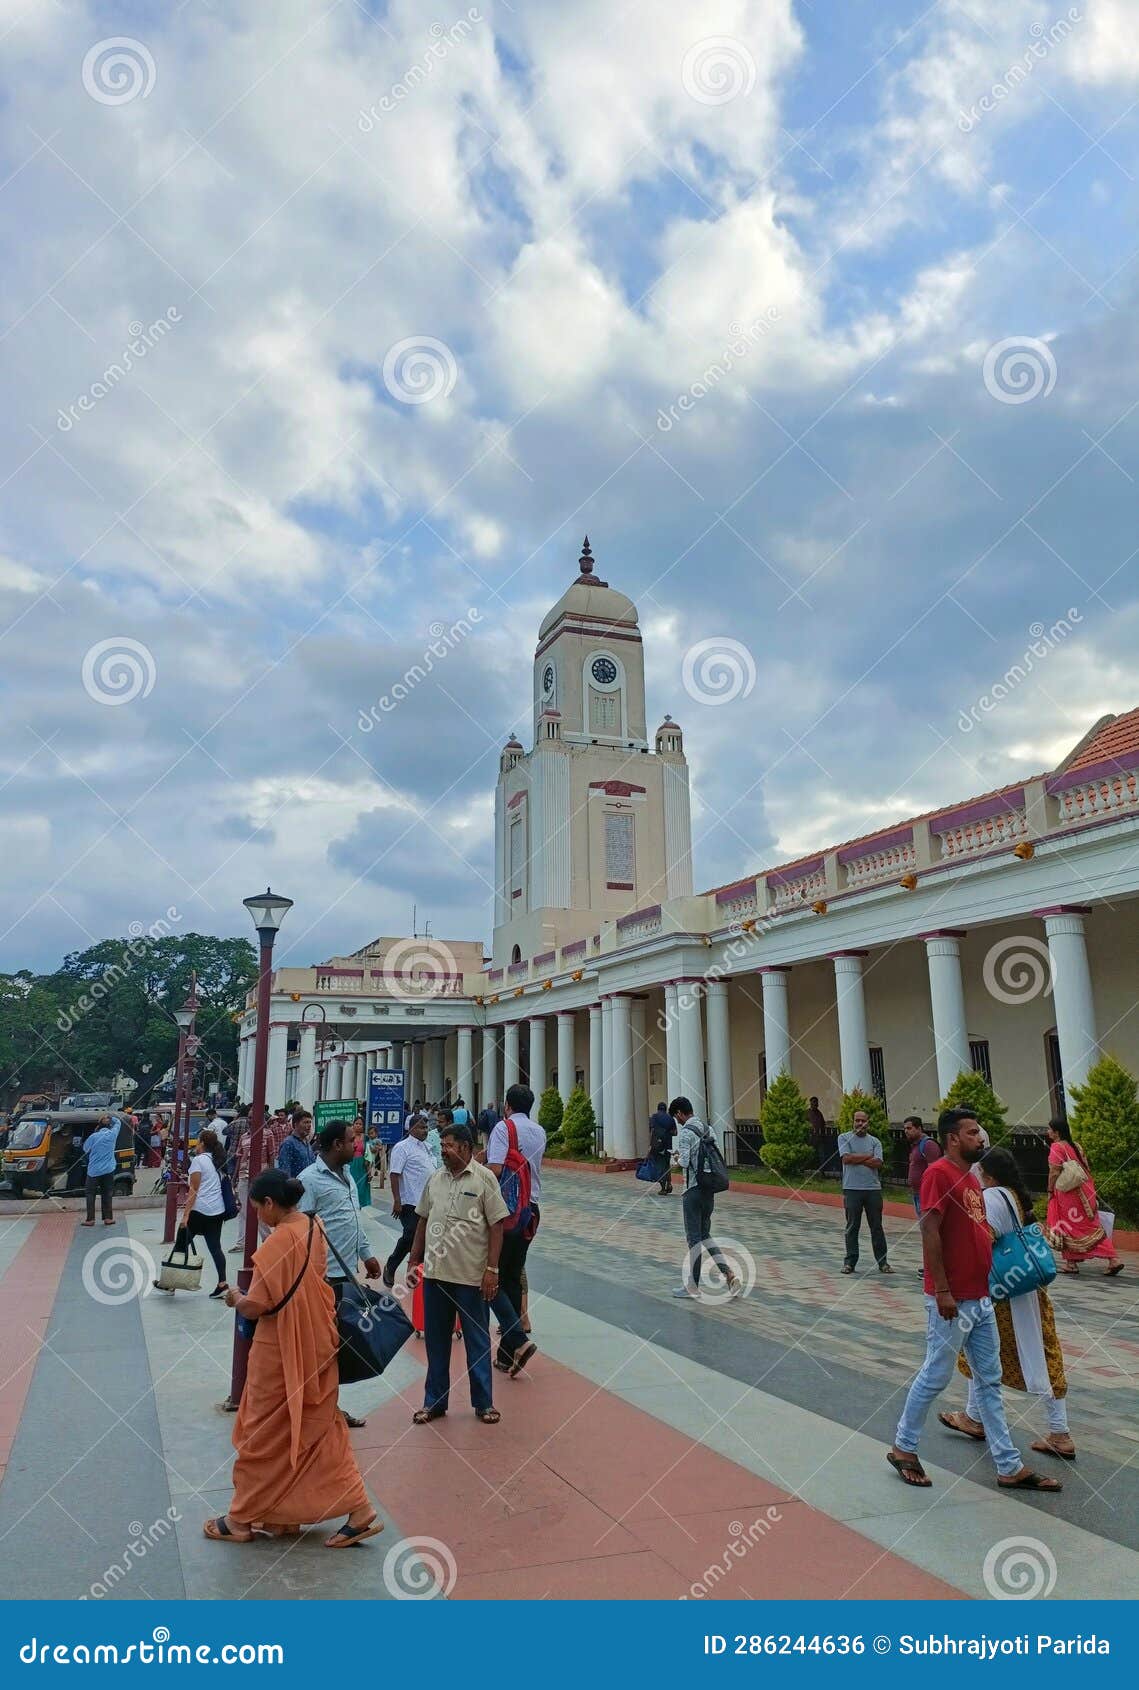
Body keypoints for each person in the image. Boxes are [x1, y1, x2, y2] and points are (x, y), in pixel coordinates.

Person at [204, 1167, 382, 1548]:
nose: (257, 1216)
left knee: (261, 1434)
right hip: (318, 1342)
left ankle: (240, 1518)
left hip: (280, 1351)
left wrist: (236, 1299)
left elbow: (258, 1306)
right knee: (317, 1429)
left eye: (256, 1209)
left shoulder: (276, 1244)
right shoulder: (313, 1228)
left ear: (269, 1203)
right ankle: (308, 1513)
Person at [886, 1108, 1062, 1493]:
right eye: (972, 1133)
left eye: (979, 1132)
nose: (981, 1139)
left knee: (989, 1381)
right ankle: (904, 1447)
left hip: (981, 1297)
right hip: (953, 1300)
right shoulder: (938, 1175)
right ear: (953, 1138)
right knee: (935, 1374)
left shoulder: (970, 1177)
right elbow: (929, 1231)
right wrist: (943, 1290)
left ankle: (1008, 1465)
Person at [941, 1145, 1076, 1460]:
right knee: (1027, 1355)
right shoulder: (1014, 1194)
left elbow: (981, 1239)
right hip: (1024, 1289)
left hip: (1002, 1296)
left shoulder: (991, 1198)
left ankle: (1058, 1433)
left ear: (985, 1173)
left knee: (989, 1353)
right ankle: (977, 1418)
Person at [408, 1123, 515, 1424]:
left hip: (471, 1278)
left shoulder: (484, 1180)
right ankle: (434, 1402)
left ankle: (483, 1403)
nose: (443, 1151)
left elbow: (497, 1226)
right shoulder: (435, 1179)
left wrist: (492, 1270)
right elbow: (422, 1220)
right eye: (441, 1145)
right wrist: (413, 1260)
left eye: (449, 1145)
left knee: (477, 1341)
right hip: (435, 1275)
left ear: (467, 1147)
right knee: (436, 1341)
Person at [297, 1121, 382, 1428]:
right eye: (350, 1141)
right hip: (322, 1278)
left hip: (346, 1277)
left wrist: (366, 1253)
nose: (355, 1145)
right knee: (322, 1346)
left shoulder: (347, 1176)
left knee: (338, 1345)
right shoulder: (309, 1180)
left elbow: (353, 1220)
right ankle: (319, 1409)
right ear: (336, 1145)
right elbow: (297, 1229)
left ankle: (329, 1406)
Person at [486, 1083, 544, 1375]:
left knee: (491, 1276)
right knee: (511, 1276)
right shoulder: (539, 1131)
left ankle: (517, 1340)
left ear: (507, 1104)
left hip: (504, 1211)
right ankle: (509, 1353)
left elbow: (495, 1170)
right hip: (530, 1210)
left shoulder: (503, 1128)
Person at [669, 1097, 741, 1299]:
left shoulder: (685, 1133)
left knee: (694, 1239)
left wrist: (675, 1158)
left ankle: (692, 1286)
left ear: (679, 1114)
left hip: (692, 1189)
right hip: (709, 1188)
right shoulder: (709, 1129)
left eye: (677, 1118)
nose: (678, 1122)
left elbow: (683, 1162)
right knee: (705, 1235)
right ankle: (728, 1273)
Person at [1044, 1117, 1123, 1276]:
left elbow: (1054, 1172)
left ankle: (1113, 1259)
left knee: (1075, 1226)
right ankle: (1071, 1263)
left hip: (1068, 1194)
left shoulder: (1057, 1147)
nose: (1047, 1132)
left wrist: (1050, 1190)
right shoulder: (1076, 1146)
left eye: (1049, 1129)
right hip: (1084, 1191)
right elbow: (1086, 1168)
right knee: (1081, 1225)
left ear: (1056, 1132)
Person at [382, 1113, 434, 1288]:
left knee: (423, 1239)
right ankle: (391, 1265)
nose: (424, 1130)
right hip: (409, 1201)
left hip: (427, 1201)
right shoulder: (402, 1147)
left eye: (426, 1127)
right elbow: (394, 1174)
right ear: (411, 1128)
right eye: (420, 1127)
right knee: (411, 1234)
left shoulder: (427, 1147)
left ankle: (414, 1275)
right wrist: (397, 1200)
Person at [838, 1108, 892, 1274]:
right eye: (857, 1120)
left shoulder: (875, 1141)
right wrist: (867, 1156)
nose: (860, 1123)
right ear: (853, 1121)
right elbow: (846, 1159)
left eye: (863, 1120)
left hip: (872, 1189)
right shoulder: (844, 1138)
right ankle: (850, 1262)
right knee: (852, 1226)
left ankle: (883, 1263)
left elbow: (877, 1163)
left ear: (868, 1122)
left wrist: (857, 1157)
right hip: (851, 1188)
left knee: (876, 1226)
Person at [178, 1127, 229, 1298]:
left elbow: (193, 1190)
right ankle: (223, 1284)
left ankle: (170, 1282)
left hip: (200, 1210)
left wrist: (185, 1216)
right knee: (215, 1248)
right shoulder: (217, 1160)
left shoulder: (199, 1160)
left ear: (201, 1143)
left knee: (180, 1244)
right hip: (218, 1210)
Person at [80, 1113, 119, 1226]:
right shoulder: (113, 1134)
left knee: (90, 1193)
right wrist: (110, 1117)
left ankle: (90, 1219)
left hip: (93, 1171)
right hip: (109, 1169)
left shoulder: (93, 1137)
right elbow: (118, 1123)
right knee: (107, 1193)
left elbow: (85, 1148)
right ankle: (108, 1218)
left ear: (98, 1127)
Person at [904, 1116, 941, 1214]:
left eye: (909, 1128)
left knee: (928, 1225)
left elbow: (934, 1172)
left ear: (919, 1128)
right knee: (923, 1225)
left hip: (926, 1195)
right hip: (917, 1194)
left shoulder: (928, 1144)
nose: (906, 1131)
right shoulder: (915, 1145)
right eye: (905, 1128)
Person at [276, 1110, 316, 1181]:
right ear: (295, 1124)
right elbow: (284, 1170)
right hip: (296, 1188)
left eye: (310, 1122)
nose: (309, 1125)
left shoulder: (307, 1142)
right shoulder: (288, 1143)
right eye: (306, 1122)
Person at [648, 1100, 675, 1195]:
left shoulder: (654, 1117)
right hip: (668, 1145)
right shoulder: (670, 1118)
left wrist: (650, 1145)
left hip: (657, 1146)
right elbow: (675, 1132)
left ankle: (663, 1188)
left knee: (659, 1166)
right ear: (665, 1109)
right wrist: (667, 1133)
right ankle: (669, 1183)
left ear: (658, 1109)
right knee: (666, 1165)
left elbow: (652, 1130)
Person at [349, 1118, 371, 1208]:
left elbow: (368, 1154)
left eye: (360, 1124)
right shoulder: (349, 1136)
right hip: (350, 1163)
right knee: (351, 1186)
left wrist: (369, 1169)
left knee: (361, 1187)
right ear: (353, 1124)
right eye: (356, 1123)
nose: (358, 1125)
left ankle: (359, 1206)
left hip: (362, 1165)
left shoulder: (365, 1138)